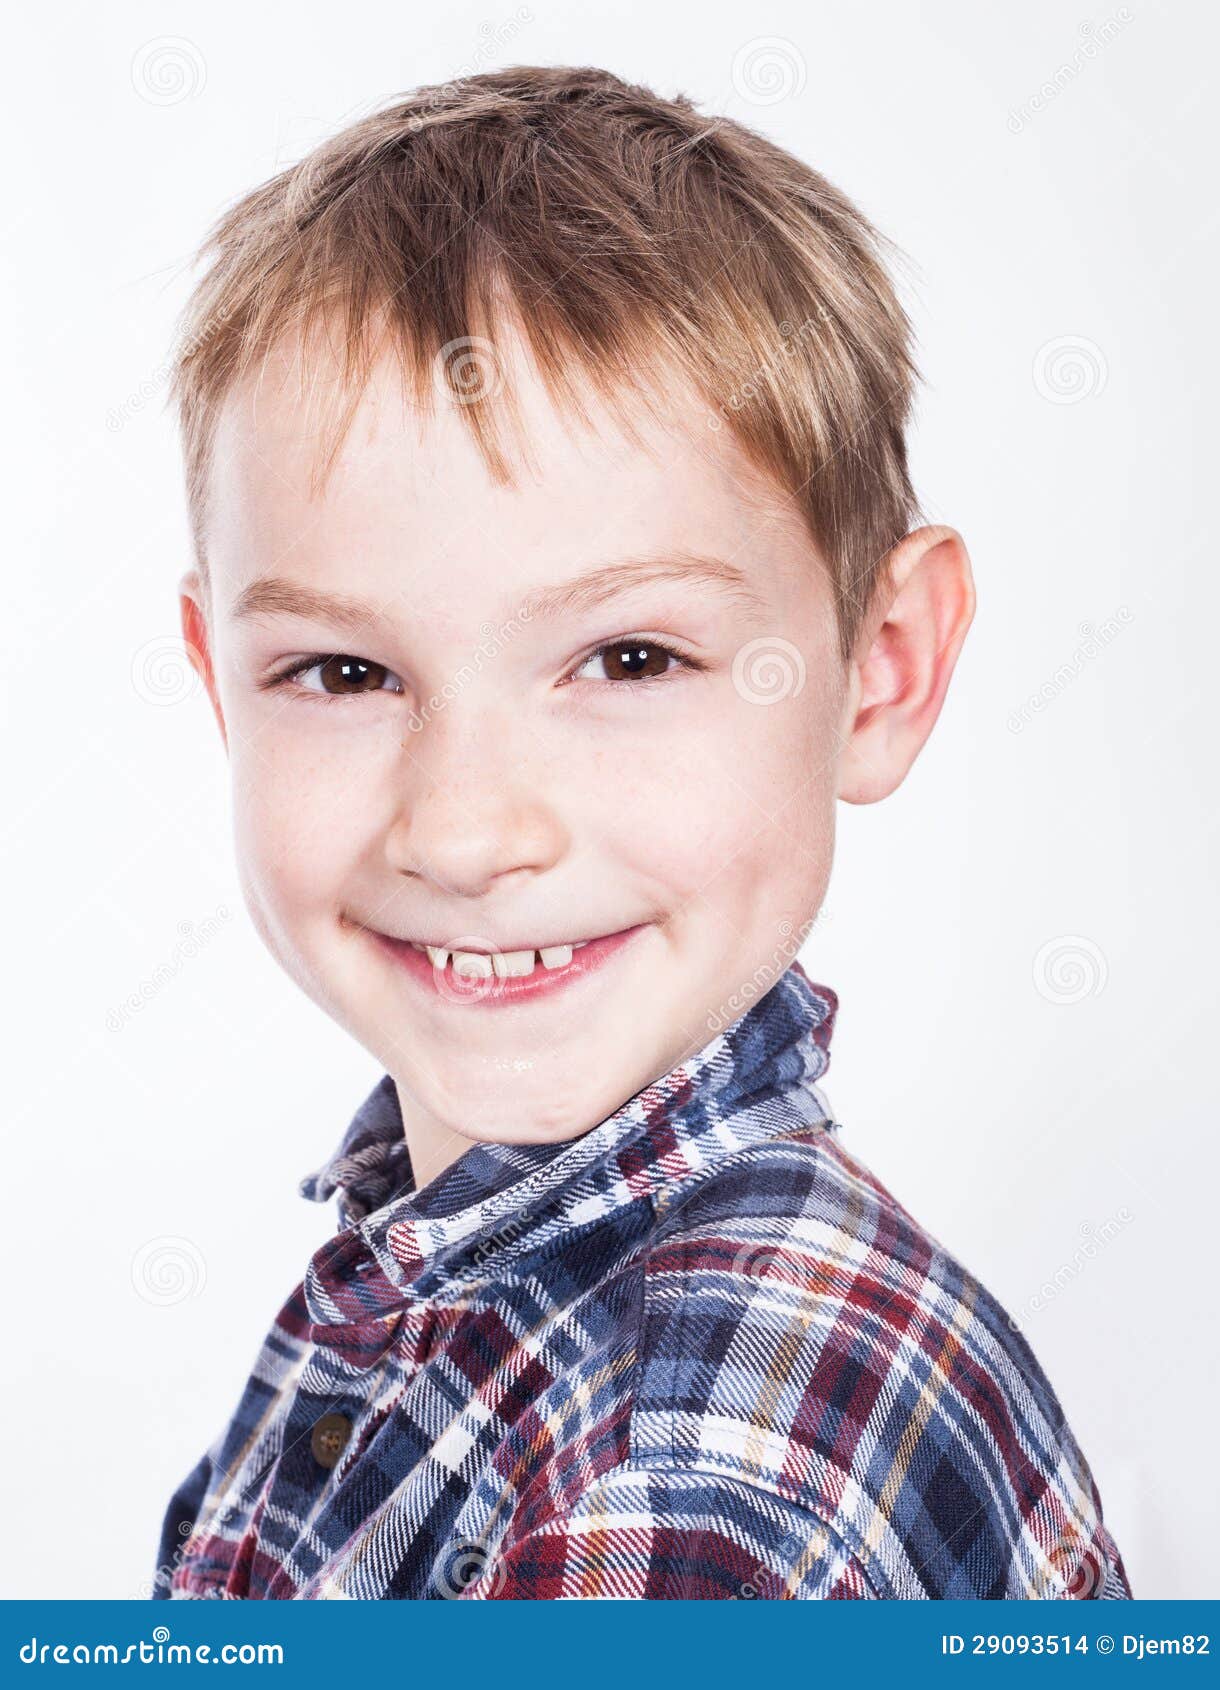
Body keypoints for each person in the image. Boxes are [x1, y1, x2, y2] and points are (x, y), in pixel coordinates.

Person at [152, 64, 1130, 1600]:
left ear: (881, 665)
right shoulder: (445, 1270)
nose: (466, 831)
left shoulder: (682, 1482)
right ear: (224, 689)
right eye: (344, 671)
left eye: (628, 658)